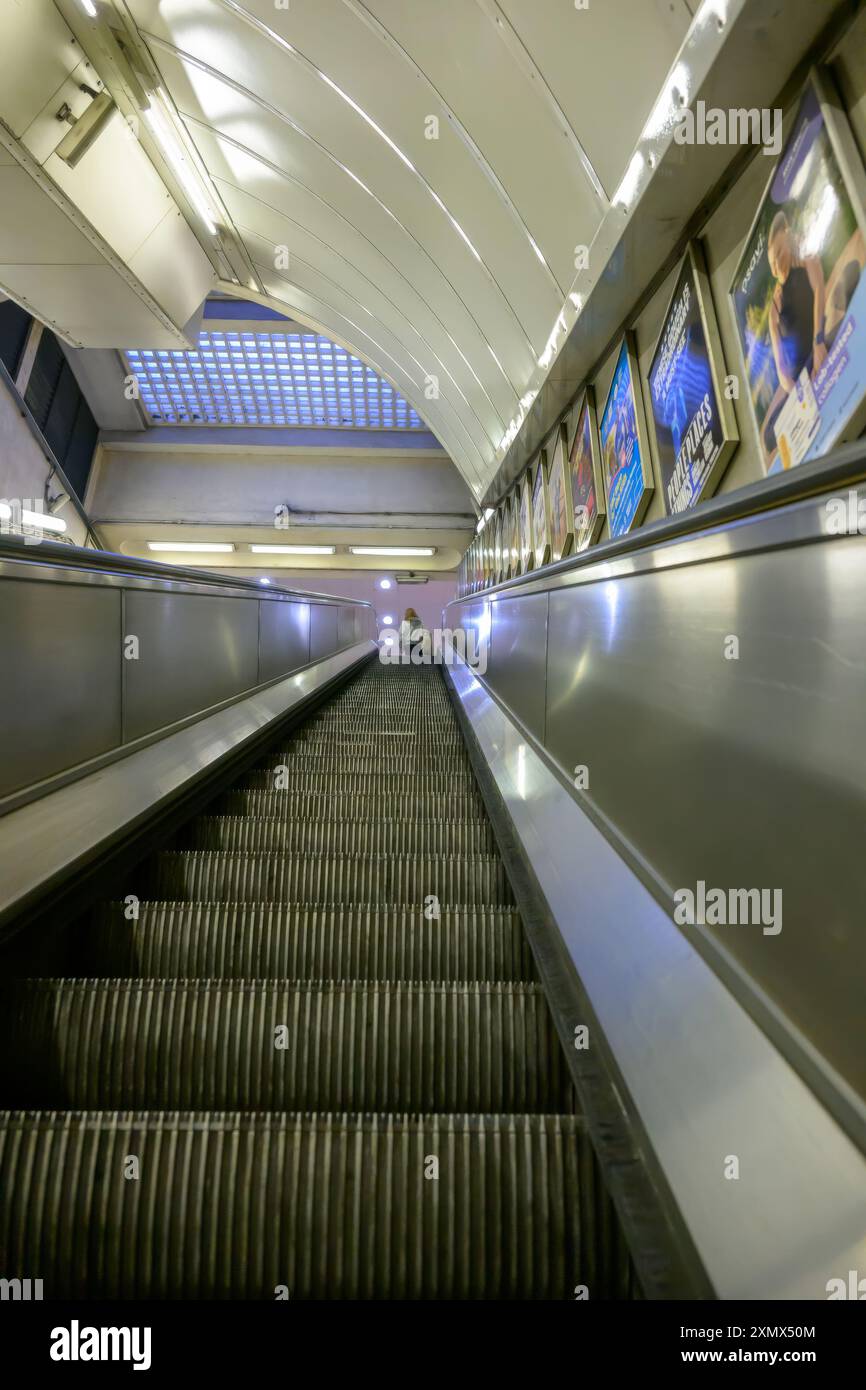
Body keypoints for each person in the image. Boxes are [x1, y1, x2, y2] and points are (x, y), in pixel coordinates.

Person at [761, 211, 827, 461]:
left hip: (818, 346)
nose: (777, 264)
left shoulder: (808, 261)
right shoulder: (773, 309)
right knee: (769, 435)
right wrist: (797, 389)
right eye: (772, 262)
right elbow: (780, 369)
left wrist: (818, 341)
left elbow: (820, 292)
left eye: (779, 254)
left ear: (788, 243)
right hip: (799, 379)